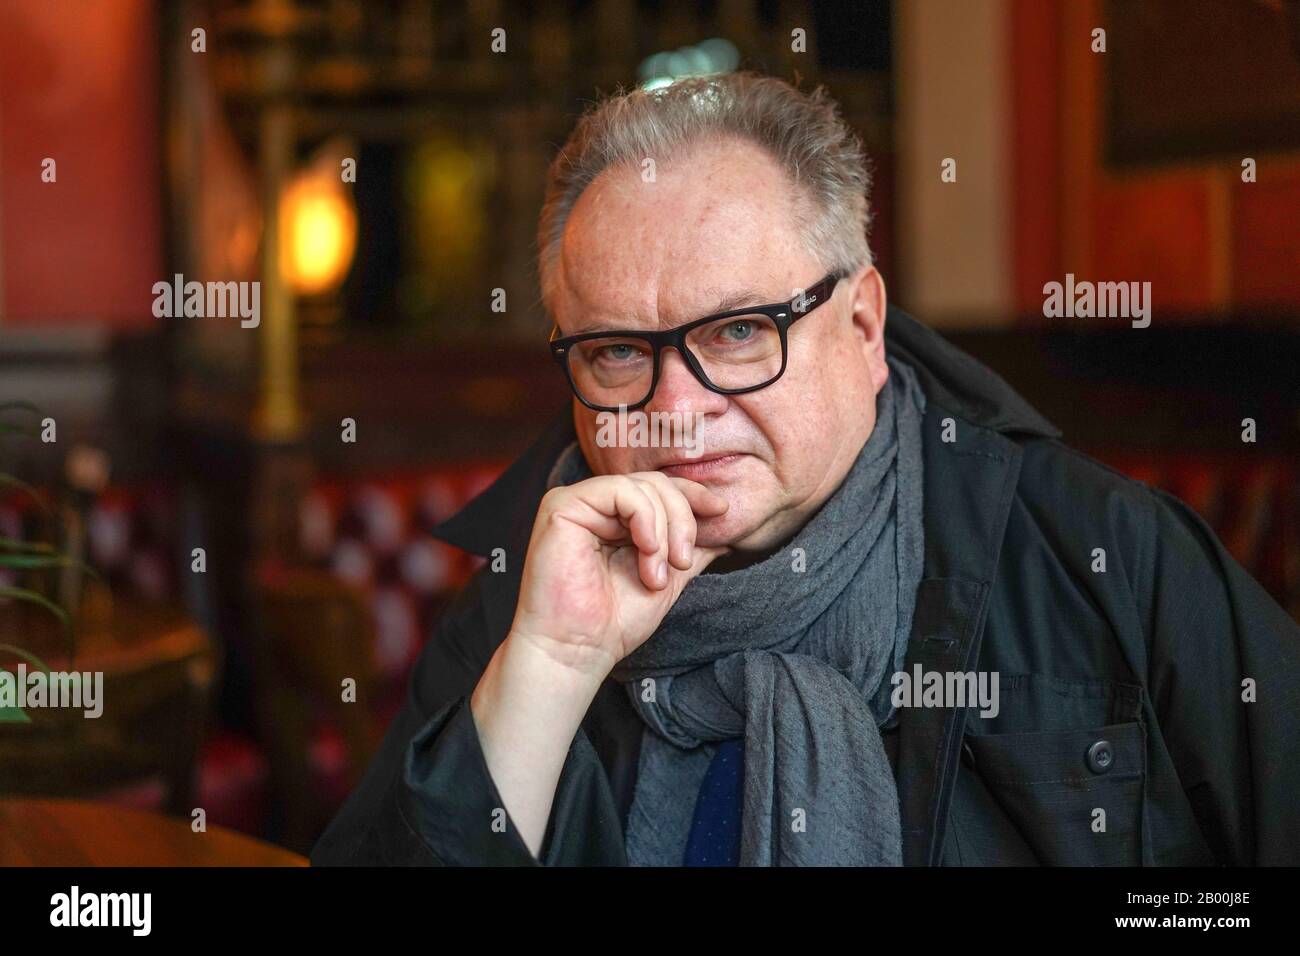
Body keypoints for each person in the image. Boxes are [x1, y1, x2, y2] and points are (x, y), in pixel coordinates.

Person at [312, 72, 1300, 866]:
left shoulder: (1103, 557)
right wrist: (552, 668)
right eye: (617, 352)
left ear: (863, 326)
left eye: (740, 331)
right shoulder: (526, 590)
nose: (672, 410)